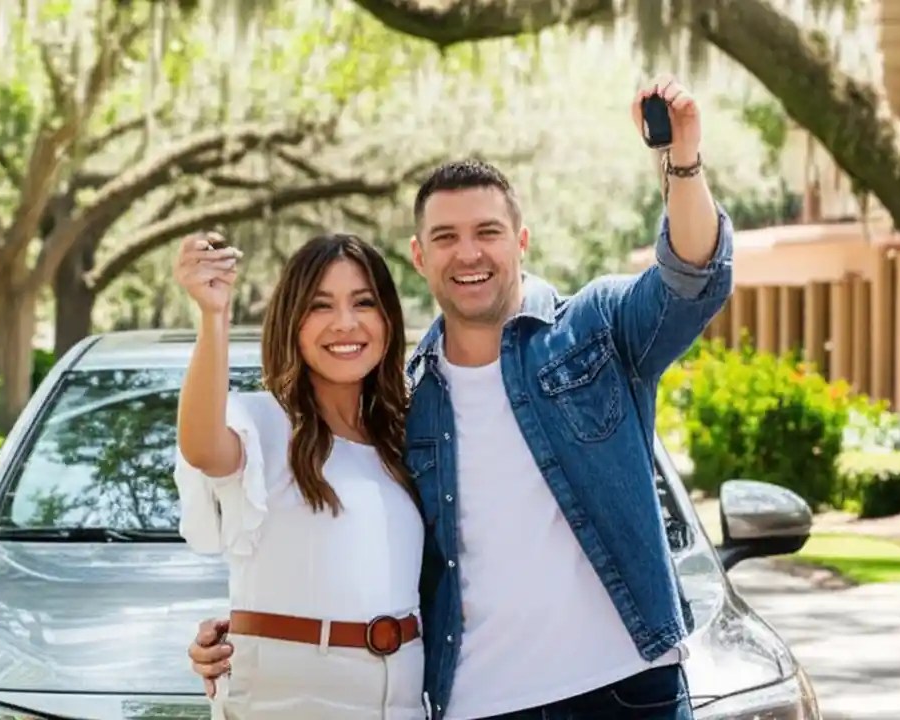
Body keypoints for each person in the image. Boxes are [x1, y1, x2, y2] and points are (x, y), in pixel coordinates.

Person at [185, 75, 734, 720]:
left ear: (520, 242)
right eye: (445, 237)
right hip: (477, 703)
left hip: (625, 690)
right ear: (420, 257)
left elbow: (690, 280)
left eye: (487, 232)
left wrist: (684, 163)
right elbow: (352, 543)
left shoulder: (598, 331)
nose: (467, 253)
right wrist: (257, 629)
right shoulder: (407, 406)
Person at [172, 231, 427, 719]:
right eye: (320, 306)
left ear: (388, 319)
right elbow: (202, 446)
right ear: (292, 321)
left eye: (363, 302)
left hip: (401, 704)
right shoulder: (263, 425)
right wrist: (213, 315)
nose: (345, 323)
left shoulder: (406, 436)